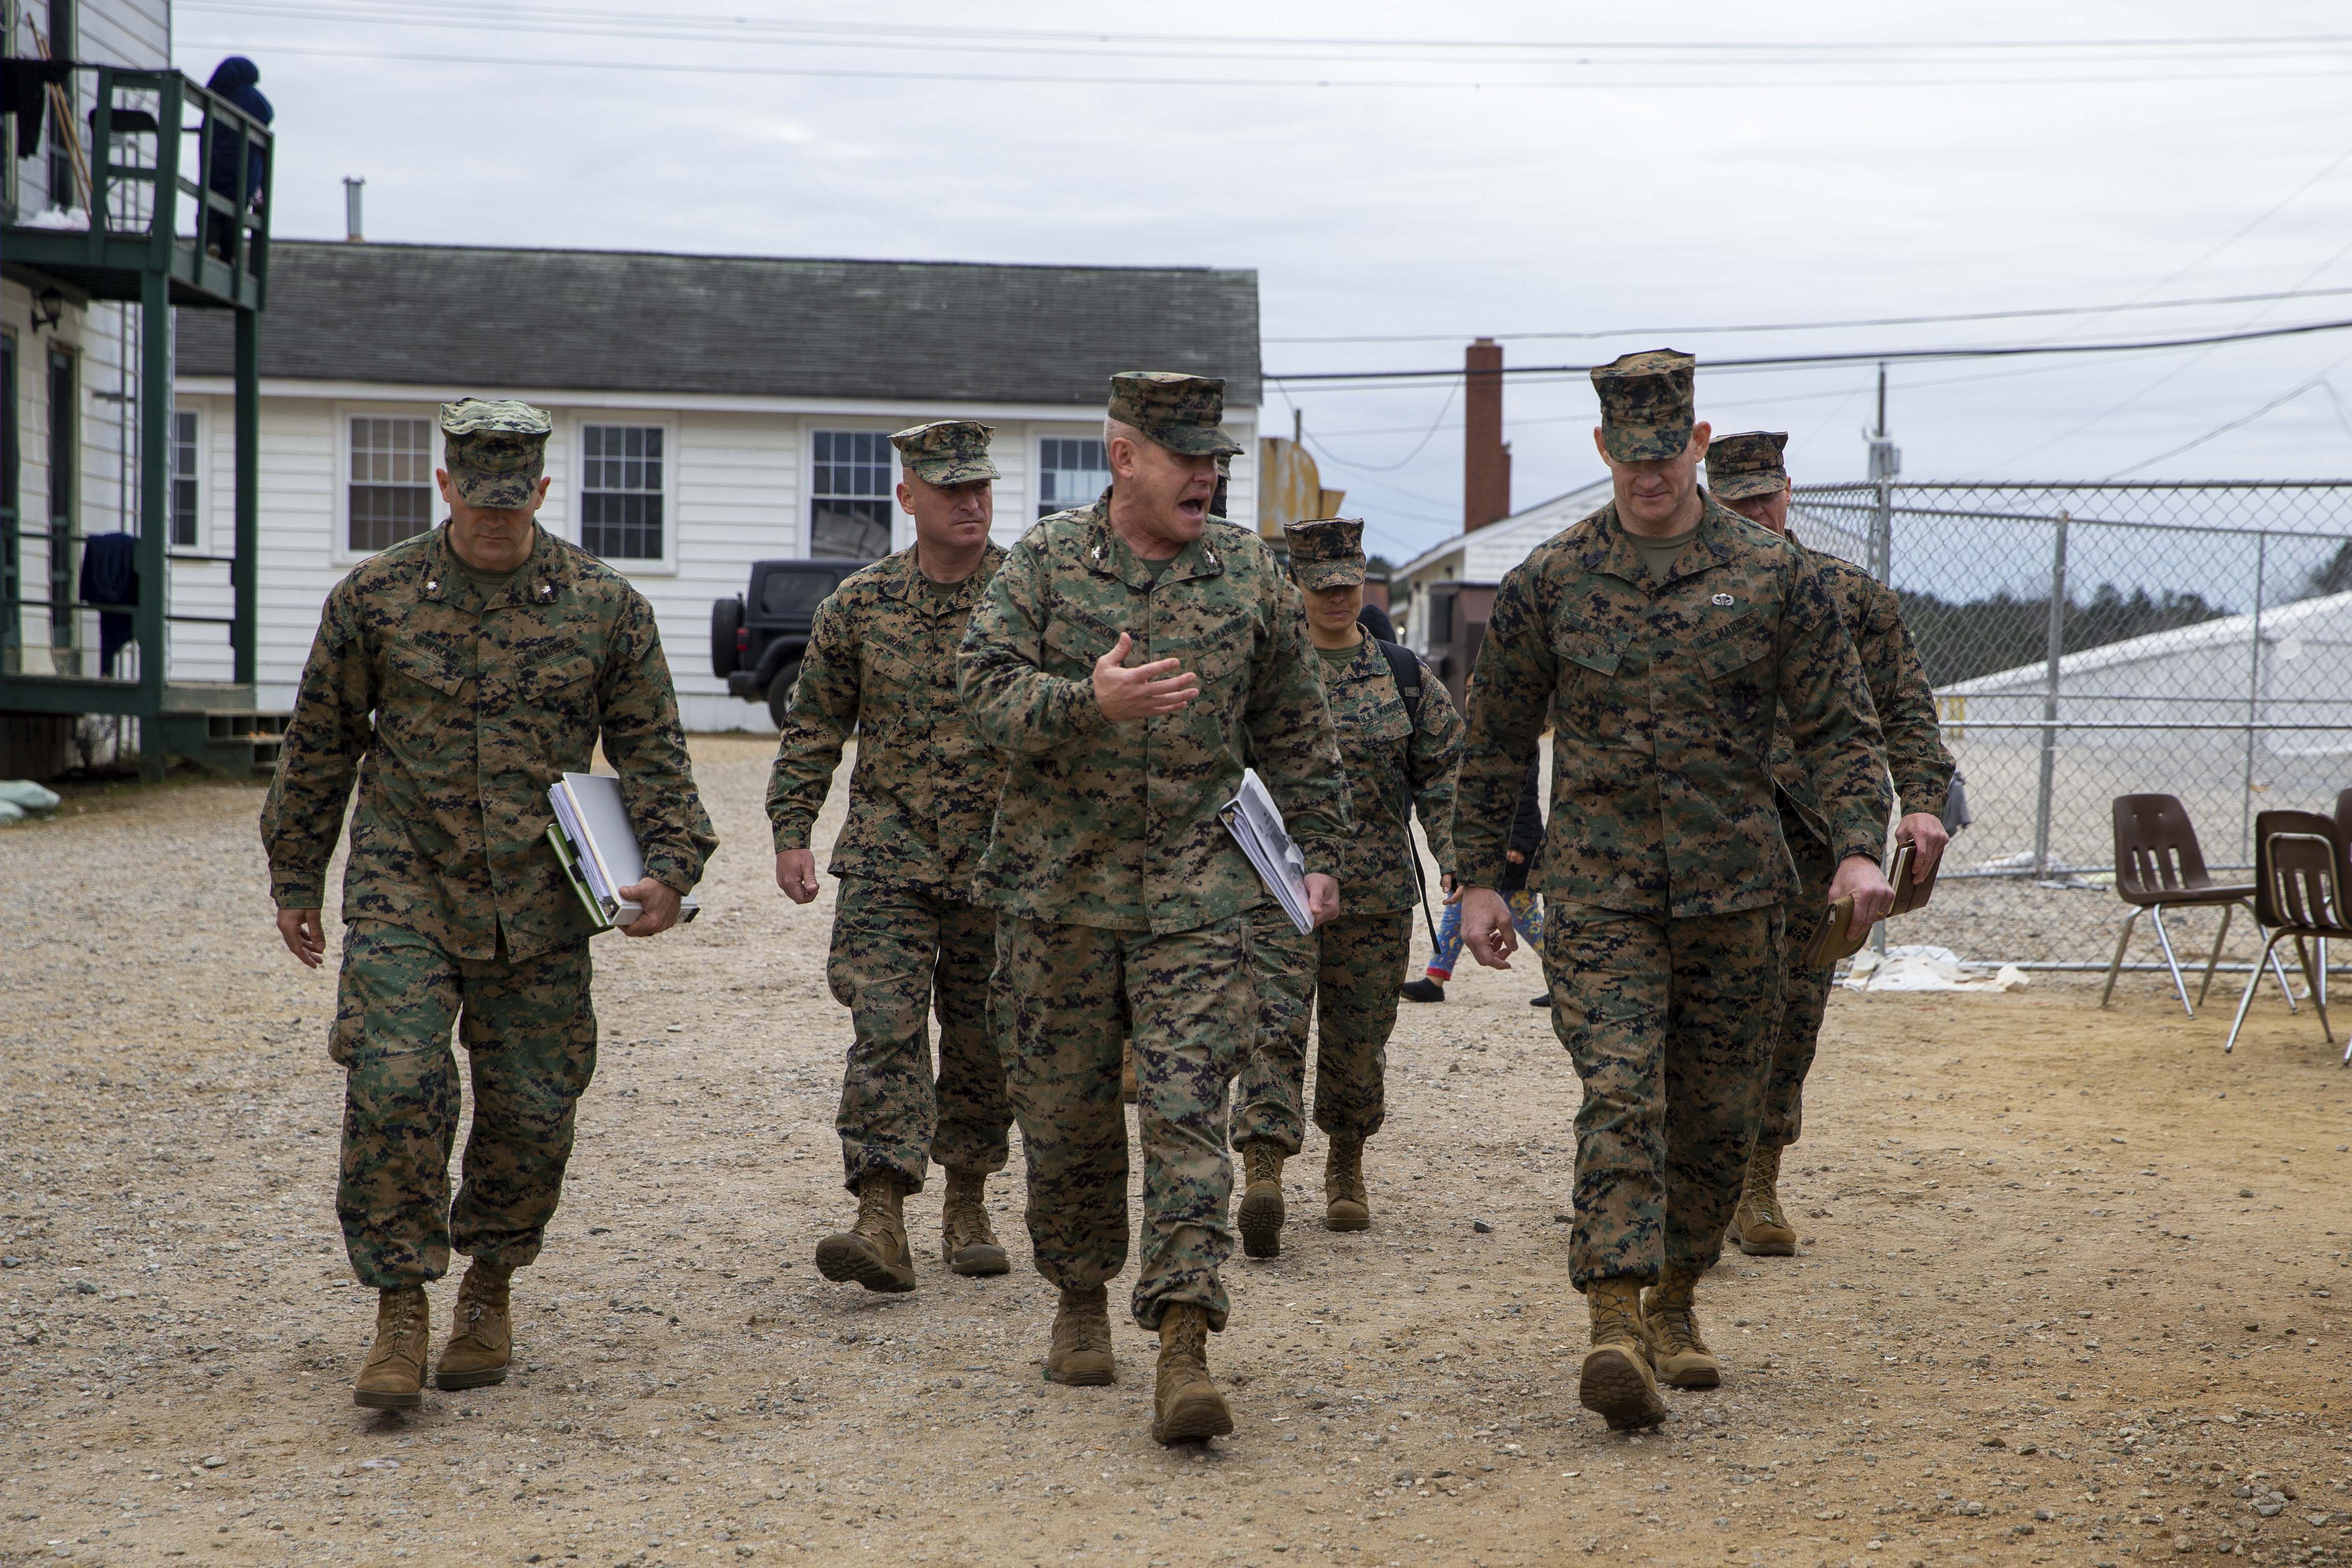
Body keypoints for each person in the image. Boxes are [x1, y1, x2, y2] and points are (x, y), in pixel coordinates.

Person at [1453, 350, 1893, 1432]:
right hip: (1598, 891)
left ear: (1697, 443)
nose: (1649, 476)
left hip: (1739, 895)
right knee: (1620, 1095)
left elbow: (1840, 725)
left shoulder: (1773, 577)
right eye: (1628, 456)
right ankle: (1611, 1316)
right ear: (1603, 448)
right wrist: (1476, 881)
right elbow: (1494, 742)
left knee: (1712, 1119)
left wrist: (1855, 847)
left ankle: (1677, 1297)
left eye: (1668, 455)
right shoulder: (1550, 581)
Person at [262, 398, 715, 1410]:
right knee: (396, 1080)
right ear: (445, 488)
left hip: (540, 897)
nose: (496, 521)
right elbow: (320, 745)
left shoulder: (603, 607)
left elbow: (654, 755)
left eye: (514, 504)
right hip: (404, 881)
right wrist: (297, 874)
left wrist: (672, 869)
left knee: (533, 1108)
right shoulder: (376, 598)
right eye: (478, 501)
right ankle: (400, 1306)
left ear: (543, 493)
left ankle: (489, 1287)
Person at [959, 371, 1349, 1444]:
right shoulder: (1040, 564)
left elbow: (1297, 732)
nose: (1208, 474)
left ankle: (1184, 1337)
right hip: (1056, 897)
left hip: (1199, 900)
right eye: (1185, 456)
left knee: (1186, 1115)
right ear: (1123, 455)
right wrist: (1087, 700)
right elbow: (979, 693)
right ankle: (1080, 1297)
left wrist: (1318, 858)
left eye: (1214, 457)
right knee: (1068, 1118)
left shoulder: (1248, 576)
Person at [768, 420, 1017, 1293]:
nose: (971, 504)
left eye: (980, 488)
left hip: (1001, 862)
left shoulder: (1028, 601)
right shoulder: (859, 606)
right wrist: (791, 828)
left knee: (986, 1037)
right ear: (908, 497)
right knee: (885, 1027)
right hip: (888, 855)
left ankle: (968, 1199)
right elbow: (815, 727)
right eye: (951, 491)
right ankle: (880, 1212)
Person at [1705, 431, 1952, 1255]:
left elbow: (1908, 711)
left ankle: (1756, 1179)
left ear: (1787, 493)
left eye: (1762, 497)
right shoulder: (1682, 599)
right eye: (1733, 501)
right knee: (1696, 1009)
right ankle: (1677, 1178)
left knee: (1791, 1014)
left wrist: (1922, 804)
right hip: (1708, 836)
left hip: (1820, 842)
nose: (1751, 513)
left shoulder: (1848, 597)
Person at [1232, 517, 1462, 1257]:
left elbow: (1444, 773)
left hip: (1374, 897)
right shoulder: (1264, 673)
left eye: (1347, 584)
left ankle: (1345, 1162)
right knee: (1269, 1027)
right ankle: (1261, 1168)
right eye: (1320, 585)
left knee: (1357, 1043)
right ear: (1294, 586)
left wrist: (1456, 853)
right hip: (1274, 886)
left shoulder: (1400, 675)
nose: (1336, 597)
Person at [1402, 757, 1544, 1004]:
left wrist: (1518, 843)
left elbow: (1525, 797)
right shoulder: (1476, 733)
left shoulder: (1516, 737)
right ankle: (1434, 981)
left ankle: (1572, 978)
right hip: (1481, 850)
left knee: (1527, 920)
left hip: (1511, 853)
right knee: (1456, 910)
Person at [202, 57, 272, 259]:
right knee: (237, 207)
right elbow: (267, 113)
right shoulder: (249, 95)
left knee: (212, 204)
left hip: (214, 162)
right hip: (242, 164)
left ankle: (211, 244)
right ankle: (229, 255)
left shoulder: (214, 93)